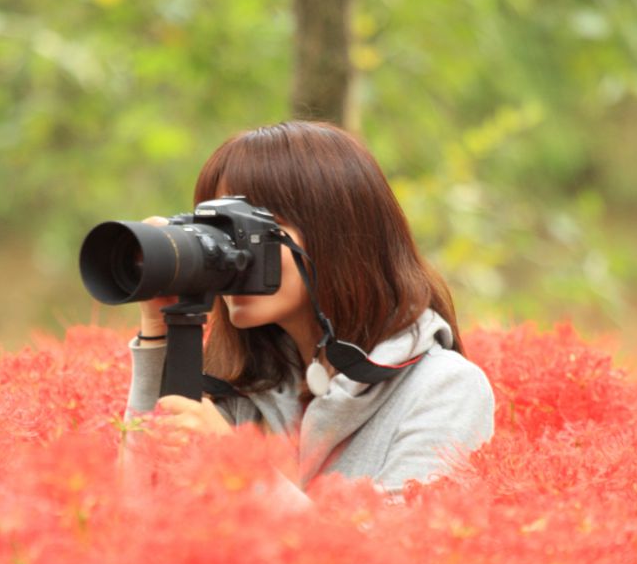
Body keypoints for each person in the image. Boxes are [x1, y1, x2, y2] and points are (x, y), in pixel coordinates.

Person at [125, 121, 495, 495]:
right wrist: (157, 332)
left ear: (337, 238)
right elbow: (140, 519)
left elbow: (395, 550)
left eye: (254, 229)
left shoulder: (445, 388)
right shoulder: (243, 386)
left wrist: (238, 464)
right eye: (220, 230)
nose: (233, 254)